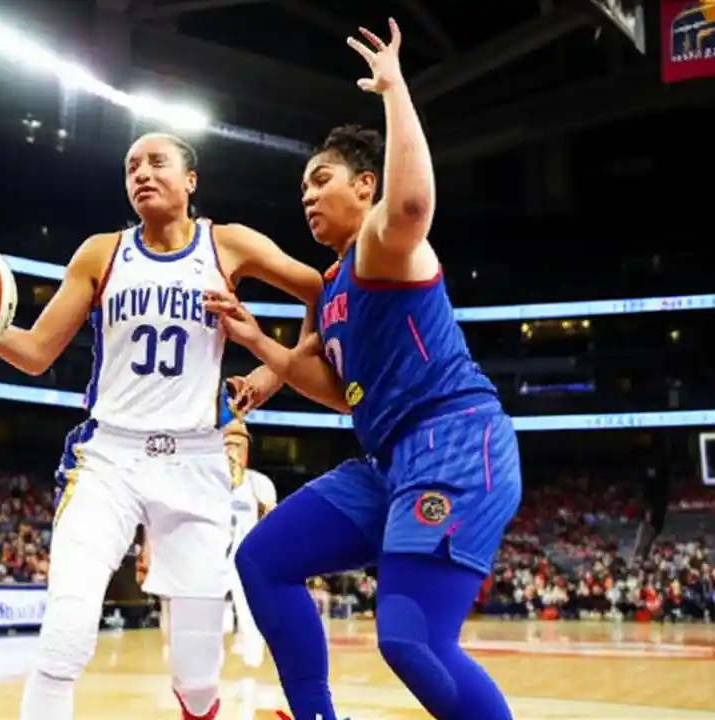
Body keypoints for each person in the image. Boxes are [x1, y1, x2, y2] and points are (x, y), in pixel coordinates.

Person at [204, 20, 521, 720]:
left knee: (413, 640)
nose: (308, 196)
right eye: (303, 189)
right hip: (388, 459)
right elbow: (335, 390)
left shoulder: (382, 243)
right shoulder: (336, 284)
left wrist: (396, 89)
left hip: (454, 444)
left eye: (322, 180)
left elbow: (411, 205)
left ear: (365, 185)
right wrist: (257, 341)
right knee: (262, 561)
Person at [0, 131, 324, 720]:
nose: (141, 173)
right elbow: (38, 351)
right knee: (64, 636)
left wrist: (274, 374)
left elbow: (322, 290)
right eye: (130, 166)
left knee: (196, 677)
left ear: (191, 181)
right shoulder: (101, 252)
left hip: (196, 461)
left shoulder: (229, 244)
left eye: (156, 163)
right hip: (108, 459)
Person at [219, 404, 277, 669]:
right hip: (214, 556)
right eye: (229, 444)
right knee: (210, 617)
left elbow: (272, 525)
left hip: (246, 558)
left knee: (250, 612)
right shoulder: (206, 481)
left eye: (240, 445)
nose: (234, 451)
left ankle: (253, 667)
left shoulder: (259, 483)